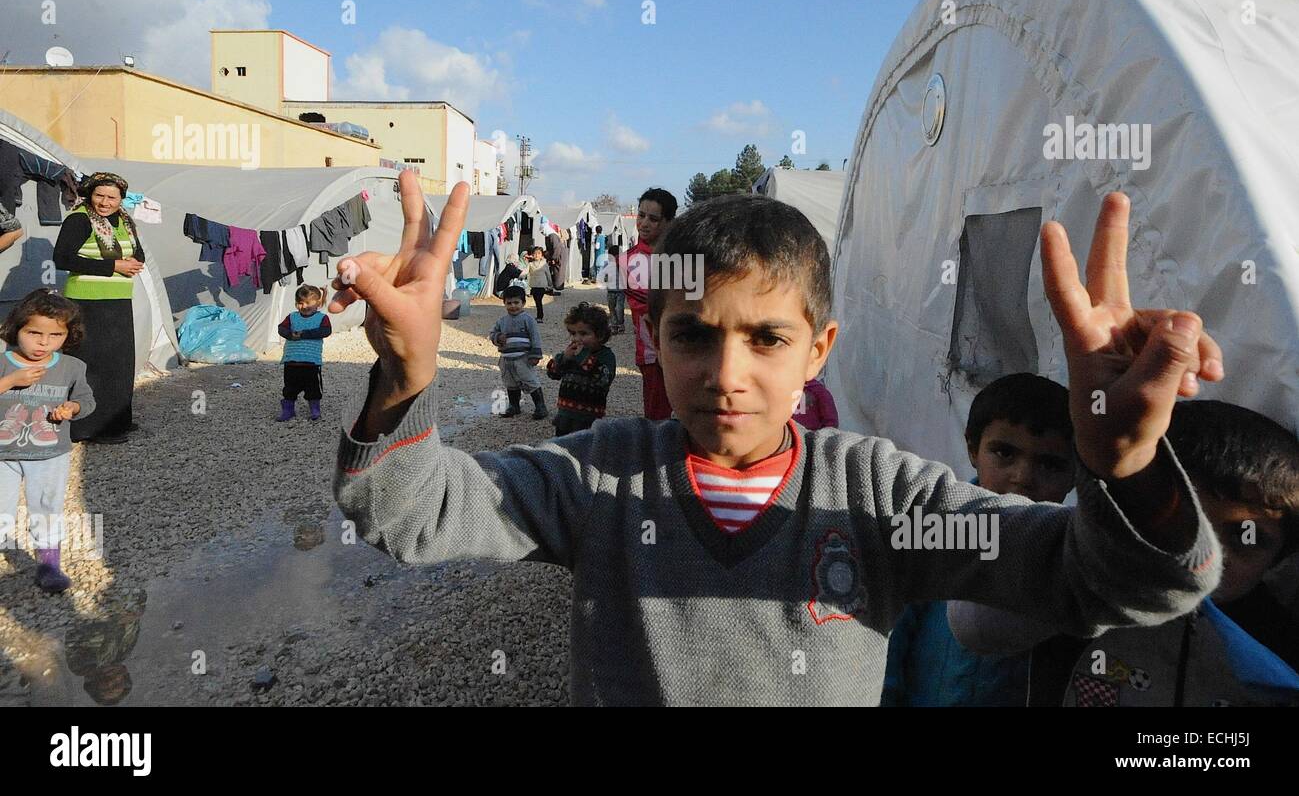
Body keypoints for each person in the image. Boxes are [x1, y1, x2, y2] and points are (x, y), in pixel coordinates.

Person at [328, 176, 1225, 706]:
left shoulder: (883, 501)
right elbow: (418, 514)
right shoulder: (598, 481)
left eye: (766, 338)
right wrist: (406, 380)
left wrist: (1123, 465)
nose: (727, 374)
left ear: (818, 352)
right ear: (656, 338)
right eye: (693, 336)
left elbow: (1108, 582)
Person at [949, 399, 1299, 706]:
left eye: (1246, 538)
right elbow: (975, 626)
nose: (1209, 555)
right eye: (1185, 525)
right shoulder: (1089, 586)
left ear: (1280, 557)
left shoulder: (1274, 639)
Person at [882, 373, 1073, 706]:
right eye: (1004, 453)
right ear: (973, 449)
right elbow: (888, 648)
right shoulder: (932, 533)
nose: (1023, 477)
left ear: (1076, 474)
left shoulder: (1075, 557)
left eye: (1049, 464)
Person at [0, 288, 96, 593]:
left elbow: (86, 400)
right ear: (17, 329)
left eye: (55, 335)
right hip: (4, 455)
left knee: (47, 506)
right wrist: (10, 381)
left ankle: (49, 563)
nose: (43, 342)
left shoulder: (71, 367)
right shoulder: (3, 362)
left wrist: (72, 408)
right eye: (34, 332)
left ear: (68, 335)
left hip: (50, 454)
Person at [52, 171, 144, 445]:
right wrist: (114, 265)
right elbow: (63, 258)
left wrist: (133, 262)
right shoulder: (80, 219)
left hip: (117, 300)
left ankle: (116, 420)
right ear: (90, 195)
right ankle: (89, 427)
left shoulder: (125, 221)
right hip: (87, 302)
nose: (104, 202)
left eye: (111, 197)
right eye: (99, 195)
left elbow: (136, 252)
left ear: (121, 199)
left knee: (119, 363)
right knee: (93, 365)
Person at [623, 188, 677, 419]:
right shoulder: (630, 260)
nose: (644, 223)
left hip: (687, 345)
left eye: (653, 219)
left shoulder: (683, 254)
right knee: (658, 415)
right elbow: (649, 304)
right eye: (641, 215)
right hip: (652, 350)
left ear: (668, 222)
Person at [546, 302, 617, 437]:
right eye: (573, 333)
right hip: (565, 414)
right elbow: (552, 373)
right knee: (562, 445)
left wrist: (583, 357)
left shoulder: (606, 356)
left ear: (600, 335)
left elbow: (603, 379)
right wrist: (564, 359)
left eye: (583, 333)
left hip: (589, 417)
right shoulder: (570, 354)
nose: (577, 339)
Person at [488, 286, 546, 420]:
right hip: (506, 359)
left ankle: (540, 406)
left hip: (523, 358)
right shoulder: (502, 321)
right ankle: (514, 406)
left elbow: (535, 336)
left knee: (530, 381)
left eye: (516, 303)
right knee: (510, 383)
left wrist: (535, 355)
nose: (513, 306)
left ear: (523, 303)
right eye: (509, 303)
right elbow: (492, 333)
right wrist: (497, 337)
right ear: (504, 303)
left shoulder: (528, 319)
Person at [276, 284, 332, 422]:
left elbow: (326, 331)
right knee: (289, 389)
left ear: (318, 303)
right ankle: (288, 410)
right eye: (300, 303)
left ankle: (315, 409)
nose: (304, 306)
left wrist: (305, 334)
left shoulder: (322, 318)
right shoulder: (292, 317)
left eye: (308, 303)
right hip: (291, 361)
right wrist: (290, 334)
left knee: (312, 388)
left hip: (311, 362)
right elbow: (281, 329)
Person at [526, 246, 550, 321]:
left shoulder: (544, 264)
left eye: (539, 253)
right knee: (537, 301)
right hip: (534, 285)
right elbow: (526, 273)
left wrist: (550, 284)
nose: (537, 255)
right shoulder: (530, 264)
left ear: (541, 255)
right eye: (535, 253)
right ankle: (539, 315)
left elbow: (548, 274)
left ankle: (540, 316)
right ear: (532, 255)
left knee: (539, 300)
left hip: (542, 285)